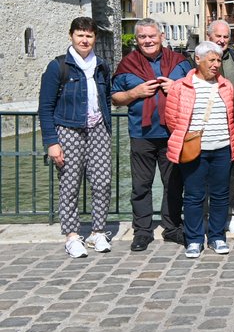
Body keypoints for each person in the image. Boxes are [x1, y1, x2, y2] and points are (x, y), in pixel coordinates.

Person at [112, 18, 190, 252]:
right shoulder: (127, 64)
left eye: (152, 36)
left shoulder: (179, 63)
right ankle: (143, 231)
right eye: (142, 37)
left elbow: (194, 91)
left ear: (162, 36)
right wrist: (134, 93)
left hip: (173, 133)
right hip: (141, 133)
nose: (148, 40)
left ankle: (172, 227)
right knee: (141, 185)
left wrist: (175, 88)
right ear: (136, 40)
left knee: (174, 184)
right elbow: (115, 98)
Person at [39, 17, 113, 258]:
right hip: (68, 129)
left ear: (95, 38)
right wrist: (52, 142)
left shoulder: (101, 65)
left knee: (102, 182)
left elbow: (107, 97)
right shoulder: (58, 66)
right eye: (80, 34)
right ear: (71, 35)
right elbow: (45, 106)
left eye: (89, 35)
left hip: (98, 129)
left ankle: (98, 232)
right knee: (70, 185)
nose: (84, 39)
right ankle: (71, 235)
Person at [165, 41, 234, 258]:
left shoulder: (226, 86)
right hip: (194, 149)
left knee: (220, 195)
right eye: (211, 60)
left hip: (222, 147)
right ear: (198, 60)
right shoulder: (181, 87)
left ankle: (216, 236)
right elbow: (172, 119)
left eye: (218, 60)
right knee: (194, 195)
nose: (216, 64)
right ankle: (194, 239)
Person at [205, 19, 234, 235]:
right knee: (201, 177)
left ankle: (229, 215)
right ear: (208, 35)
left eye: (226, 36)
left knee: (229, 176)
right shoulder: (197, 59)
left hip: (231, 128)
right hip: (202, 129)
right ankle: (204, 217)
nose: (221, 40)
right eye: (217, 36)